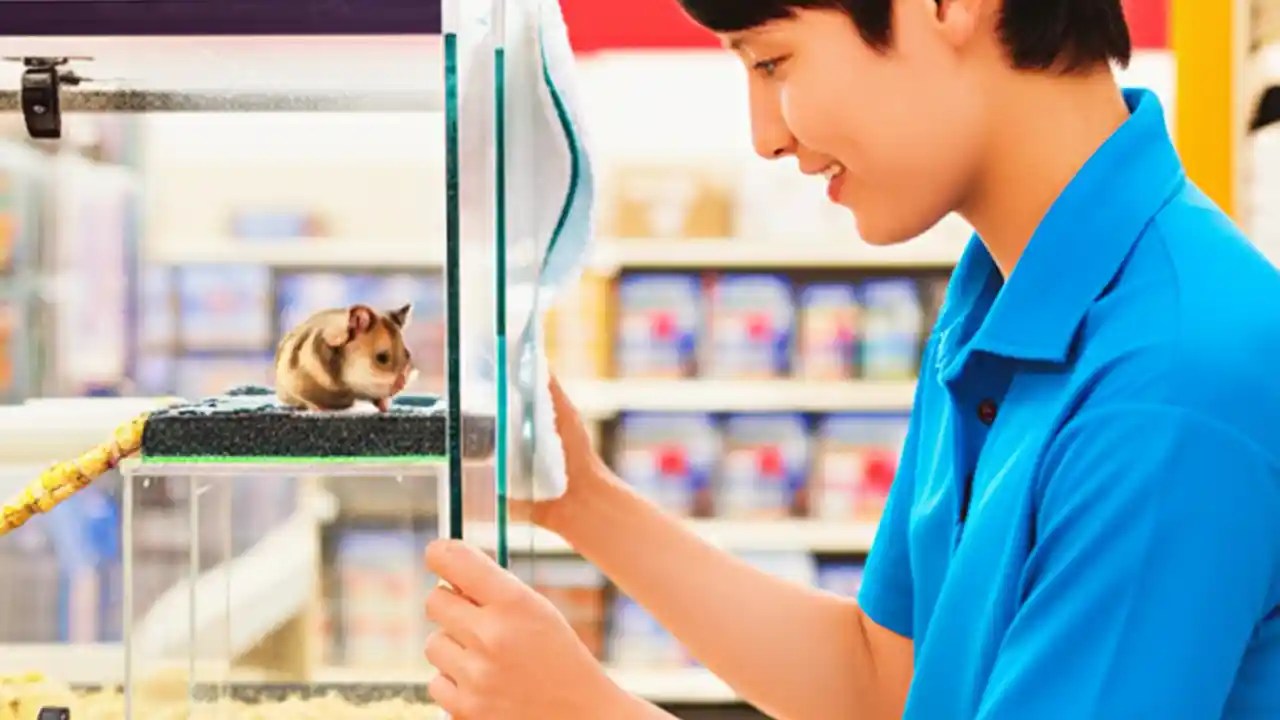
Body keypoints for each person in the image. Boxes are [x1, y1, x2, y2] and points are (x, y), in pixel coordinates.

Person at [421, 1, 1280, 718]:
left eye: (773, 63)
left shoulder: (1172, 386)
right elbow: (885, 679)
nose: (765, 135)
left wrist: (586, 712)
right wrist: (585, 503)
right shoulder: (1001, 297)